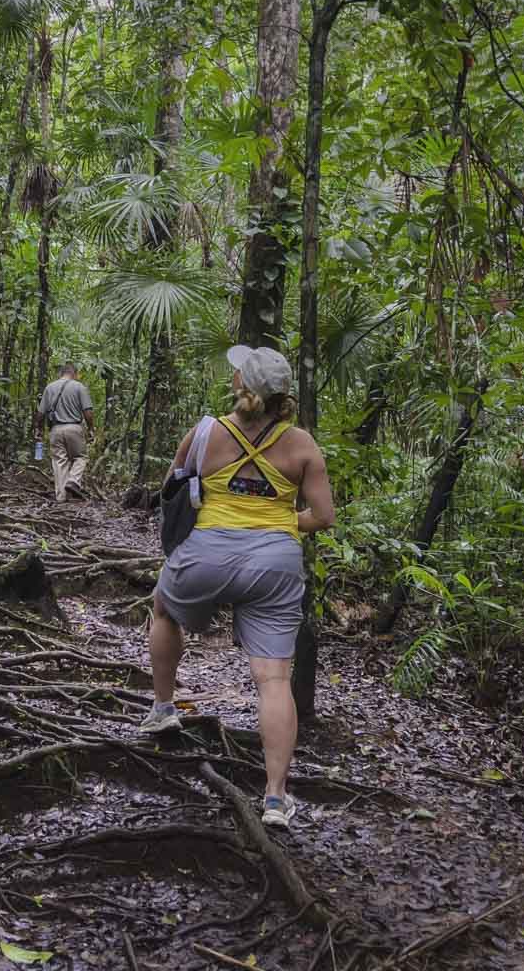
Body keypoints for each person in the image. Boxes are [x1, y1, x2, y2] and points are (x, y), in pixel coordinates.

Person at [139, 344, 335, 830]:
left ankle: (163, 707)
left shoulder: (206, 432)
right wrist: (280, 521)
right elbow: (323, 517)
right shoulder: (302, 445)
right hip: (276, 562)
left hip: (205, 552)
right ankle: (274, 798)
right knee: (273, 679)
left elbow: (171, 489)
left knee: (163, 609)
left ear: (239, 385)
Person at [36, 362, 95, 502]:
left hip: (55, 430)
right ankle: (73, 481)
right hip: (74, 428)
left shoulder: (50, 387)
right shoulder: (80, 387)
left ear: (61, 373)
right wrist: (91, 429)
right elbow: (88, 411)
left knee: (59, 461)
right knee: (80, 457)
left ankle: (61, 497)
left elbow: (40, 413)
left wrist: (38, 429)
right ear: (74, 373)